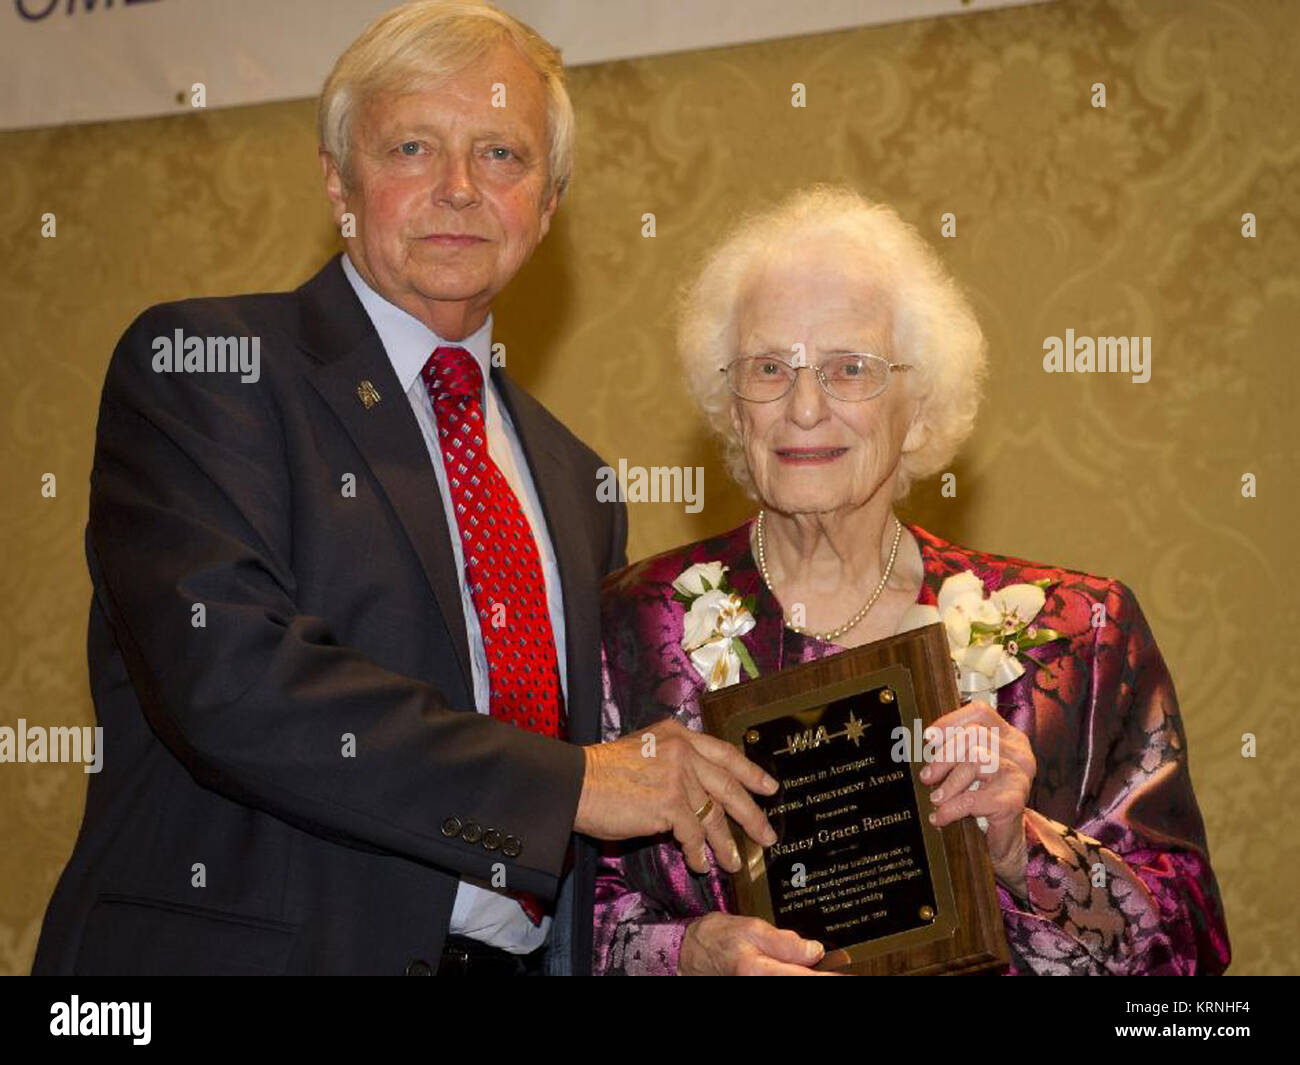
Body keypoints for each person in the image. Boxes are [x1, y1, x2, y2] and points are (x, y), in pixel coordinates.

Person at [32, 0, 775, 977]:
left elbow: (608, 788)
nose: (461, 189)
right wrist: (568, 785)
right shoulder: (209, 368)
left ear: (547, 205)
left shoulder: (576, 479)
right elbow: (233, 682)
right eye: (414, 148)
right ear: (337, 182)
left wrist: (684, 940)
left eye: (502, 156)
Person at [593, 185, 1232, 976]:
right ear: (731, 405)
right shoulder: (624, 626)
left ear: (920, 408)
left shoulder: (1079, 635)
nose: (801, 407)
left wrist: (1019, 846)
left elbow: (1193, 946)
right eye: (768, 367)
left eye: (848, 368)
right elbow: (545, 915)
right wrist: (683, 956)